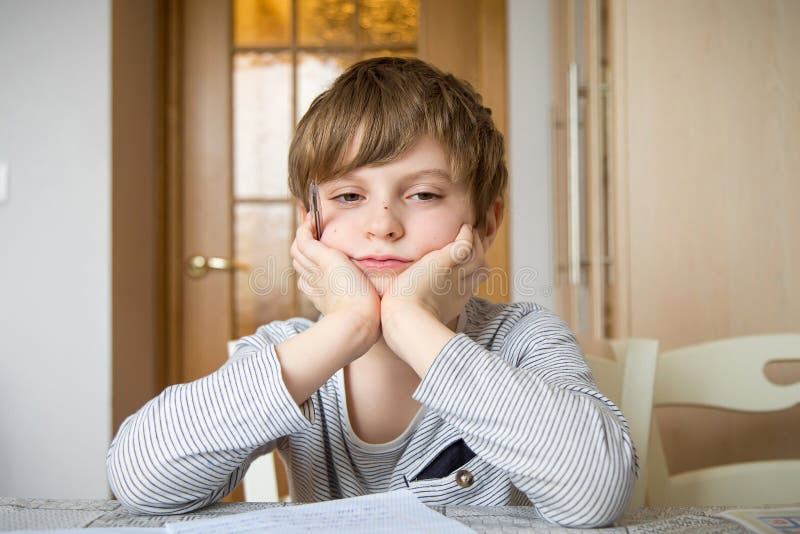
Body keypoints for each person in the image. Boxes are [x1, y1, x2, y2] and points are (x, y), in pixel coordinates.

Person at [106, 57, 636, 528]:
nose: (382, 224)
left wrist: (411, 323)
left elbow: (596, 493)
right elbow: (137, 479)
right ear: (309, 224)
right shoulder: (291, 353)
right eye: (349, 195)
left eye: (424, 193)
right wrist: (346, 327)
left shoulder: (522, 340)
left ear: (486, 223)